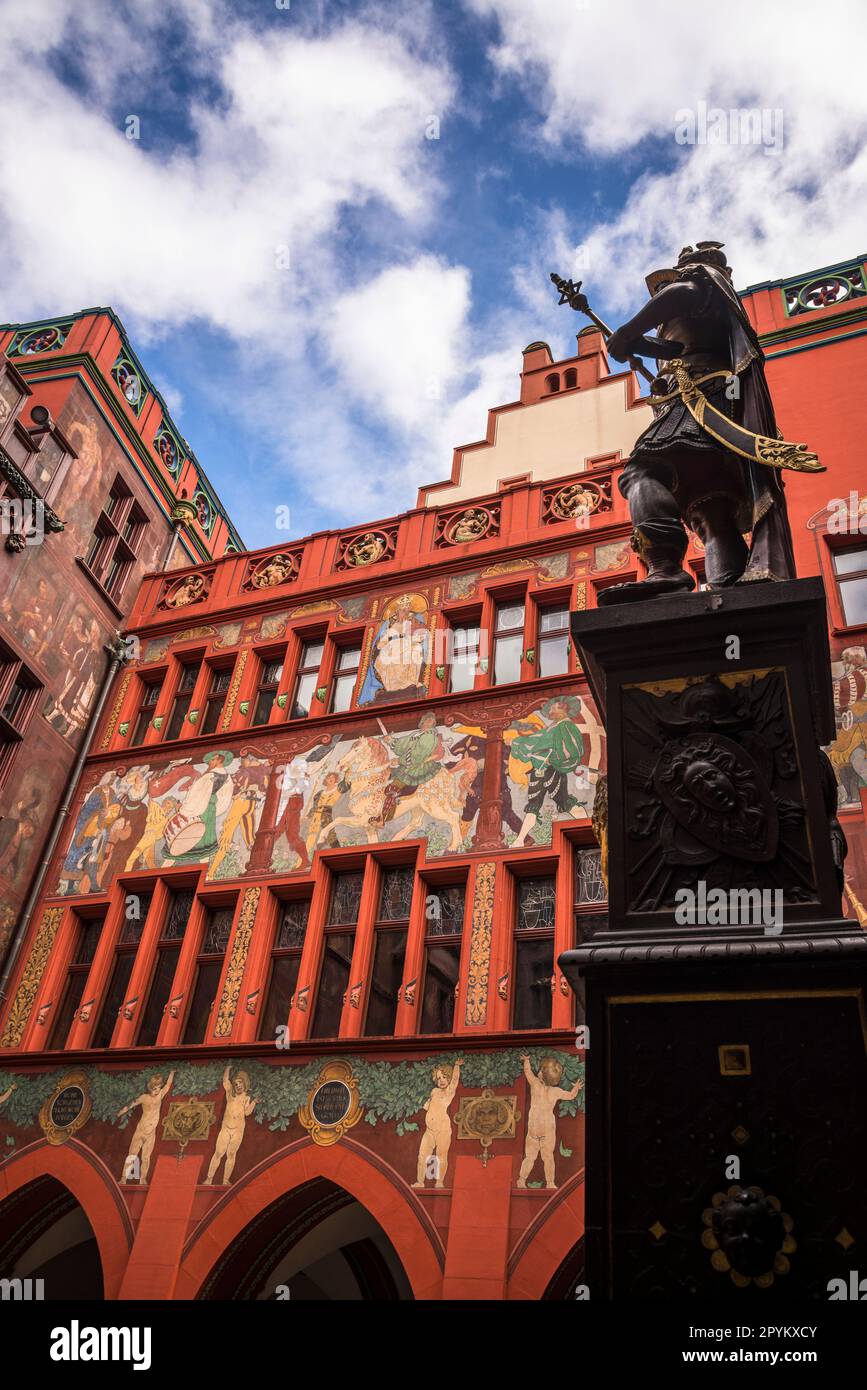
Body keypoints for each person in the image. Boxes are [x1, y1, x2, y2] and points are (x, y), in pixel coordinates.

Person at [600, 241, 822, 603]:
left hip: (705, 397)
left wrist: (627, 331)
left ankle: (665, 567)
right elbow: (672, 351)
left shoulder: (703, 284)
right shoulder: (706, 315)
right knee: (710, 506)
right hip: (711, 398)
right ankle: (728, 588)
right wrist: (638, 349)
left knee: (643, 470)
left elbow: (681, 293)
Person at [517, 1056, 582, 1189]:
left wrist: (526, 1060)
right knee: (548, 1157)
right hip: (547, 1128)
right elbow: (570, 1095)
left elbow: (527, 1072)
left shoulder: (535, 1084)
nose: (539, 1071)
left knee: (530, 1157)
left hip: (535, 1127)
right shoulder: (555, 1091)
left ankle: (522, 1180)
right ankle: (550, 1183)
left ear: (543, 1075)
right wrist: (576, 1088)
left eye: (541, 1070)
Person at [413, 1059, 463, 1189]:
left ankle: (439, 1181)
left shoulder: (449, 1092)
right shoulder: (434, 1091)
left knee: (441, 1155)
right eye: (439, 1078)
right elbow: (428, 1105)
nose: (441, 1080)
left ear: (449, 1078)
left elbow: (455, 1081)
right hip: (429, 1130)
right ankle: (420, 1181)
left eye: (444, 1077)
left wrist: (456, 1066)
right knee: (422, 1155)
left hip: (443, 1129)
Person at [117, 1072, 175, 1184]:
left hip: (151, 1132)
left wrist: (172, 1073)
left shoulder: (160, 1096)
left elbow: (168, 1085)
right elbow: (132, 1104)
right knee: (132, 1155)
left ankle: (142, 1179)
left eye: (158, 1088)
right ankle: (124, 1178)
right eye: (155, 1088)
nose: (157, 1090)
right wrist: (121, 1112)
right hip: (141, 1130)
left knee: (146, 1157)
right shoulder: (144, 1097)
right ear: (150, 1088)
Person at [205, 1067, 257, 1185]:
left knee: (231, 1154)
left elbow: (247, 1113)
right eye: (236, 1084)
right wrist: (227, 1068)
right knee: (218, 1153)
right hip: (226, 1127)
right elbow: (225, 1081)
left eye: (240, 1083)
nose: (238, 1086)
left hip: (238, 1129)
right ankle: (209, 1179)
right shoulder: (230, 1094)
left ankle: (225, 1180)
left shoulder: (246, 1098)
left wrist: (254, 1103)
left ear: (245, 1083)